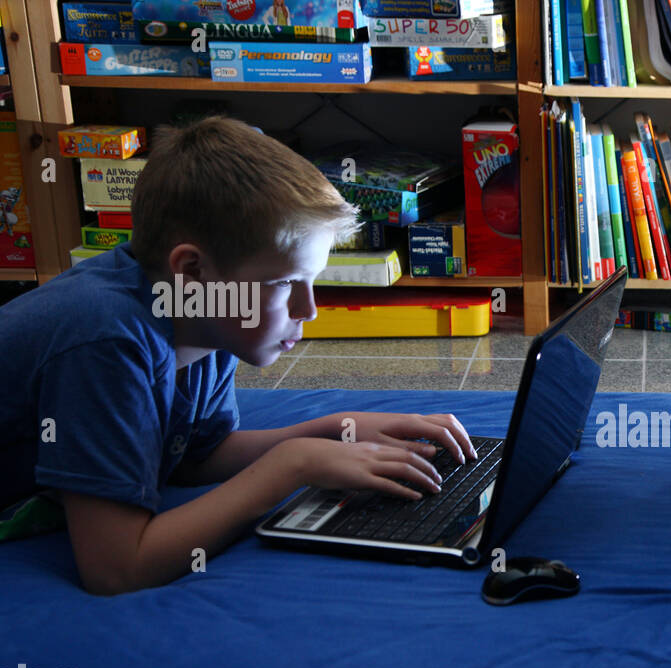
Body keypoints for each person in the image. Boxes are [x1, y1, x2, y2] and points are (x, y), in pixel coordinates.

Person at [0, 117, 475, 593]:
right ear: (192, 269)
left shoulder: (208, 313)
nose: (308, 309)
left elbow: (192, 456)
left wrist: (333, 430)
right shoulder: (105, 342)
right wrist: (291, 465)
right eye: (286, 283)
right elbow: (116, 567)